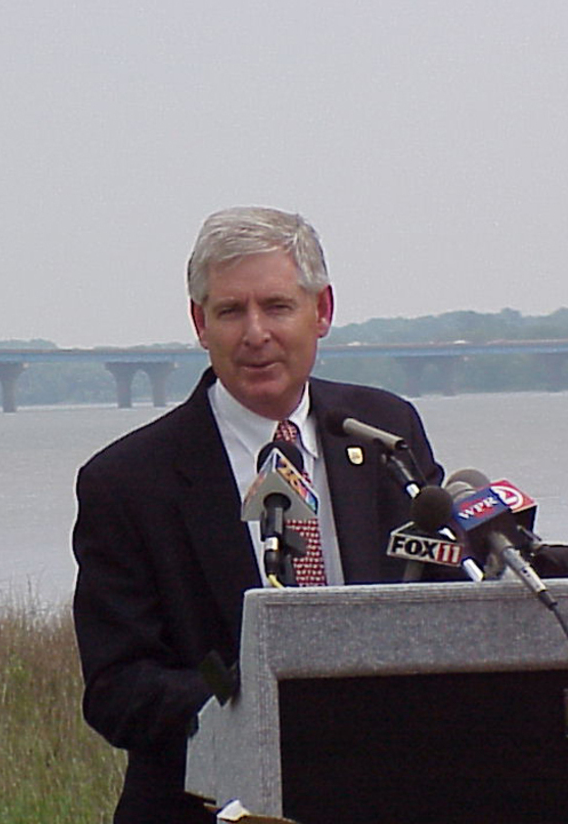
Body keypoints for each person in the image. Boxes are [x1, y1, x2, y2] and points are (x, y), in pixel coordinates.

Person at [72, 207, 445, 823]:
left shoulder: (385, 432)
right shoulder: (127, 482)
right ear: (200, 323)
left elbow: (443, 591)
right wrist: (265, 701)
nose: (255, 333)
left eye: (276, 307)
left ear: (321, 311)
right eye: (230, 311)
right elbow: (117, 692)